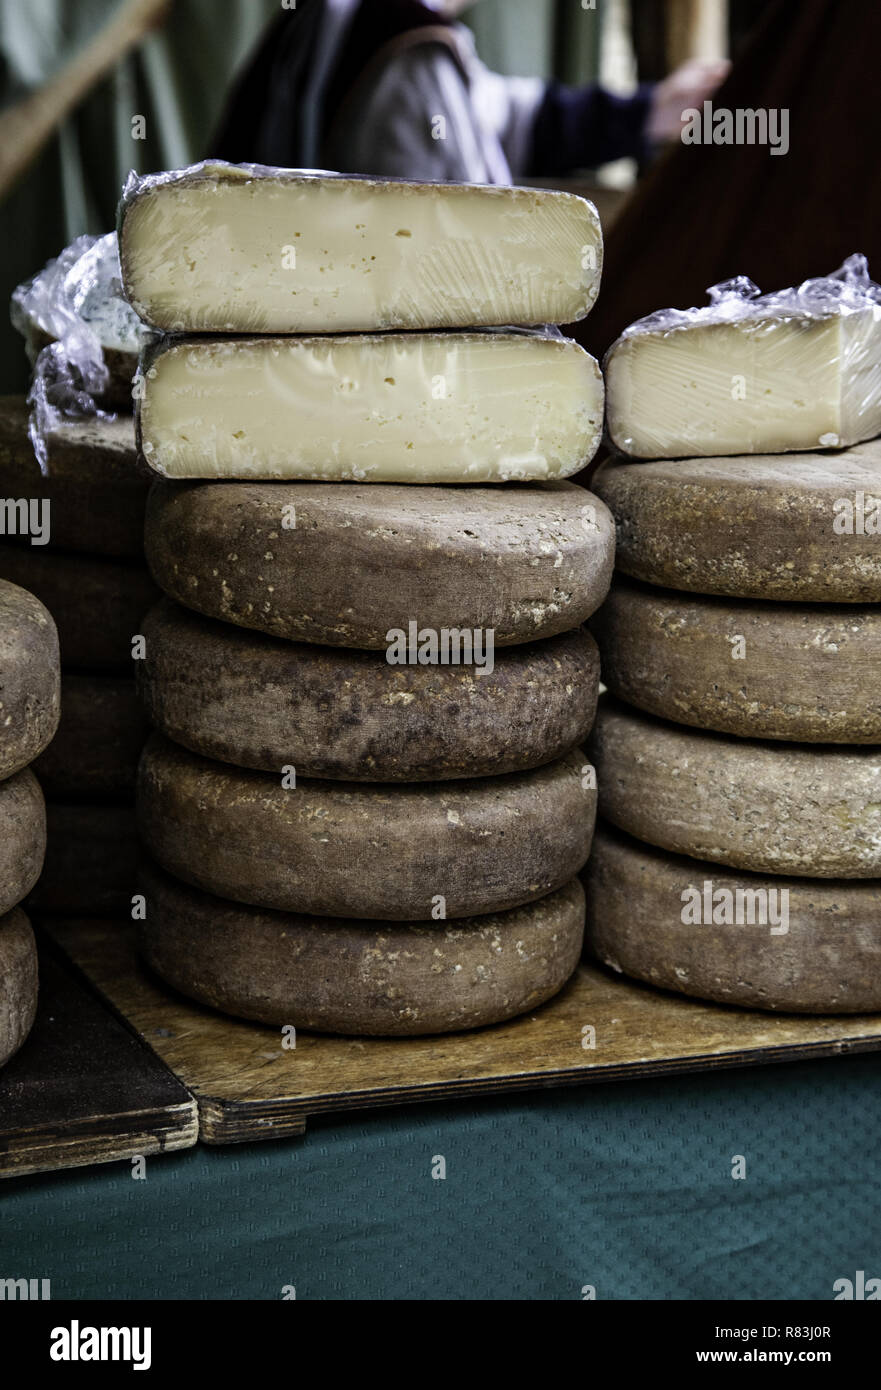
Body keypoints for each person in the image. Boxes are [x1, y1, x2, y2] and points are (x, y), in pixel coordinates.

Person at [210, 0, 730, 184]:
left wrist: (651, 109)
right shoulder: (410, 47)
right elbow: (445, 245)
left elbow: (509, 116)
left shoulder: (329, 18)